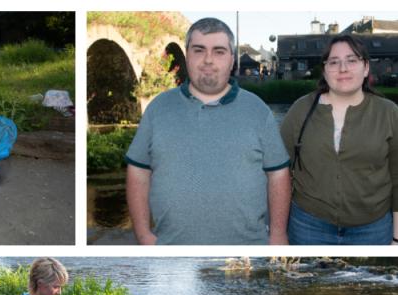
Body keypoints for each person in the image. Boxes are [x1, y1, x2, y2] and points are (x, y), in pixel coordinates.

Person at [125, 17, 291, 245]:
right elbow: (138, 172)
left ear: (232, 59)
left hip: (248, 250)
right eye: (199, 50)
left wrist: (278, 235)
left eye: (219, 51)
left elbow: (278, 174)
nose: (208, 60)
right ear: (187, 55)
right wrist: (143, 235)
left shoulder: (257, 110)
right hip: (172, 248)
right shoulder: (158, 109)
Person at [280, 35, 398, 245]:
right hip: (307, 228)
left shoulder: (390, 115)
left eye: (352, 60)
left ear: (366, 68)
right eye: (334, 62)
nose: (343, 68)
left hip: (373, 230)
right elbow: (279, 174)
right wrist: (278, 232)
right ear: (325, 71)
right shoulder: (300, 110)